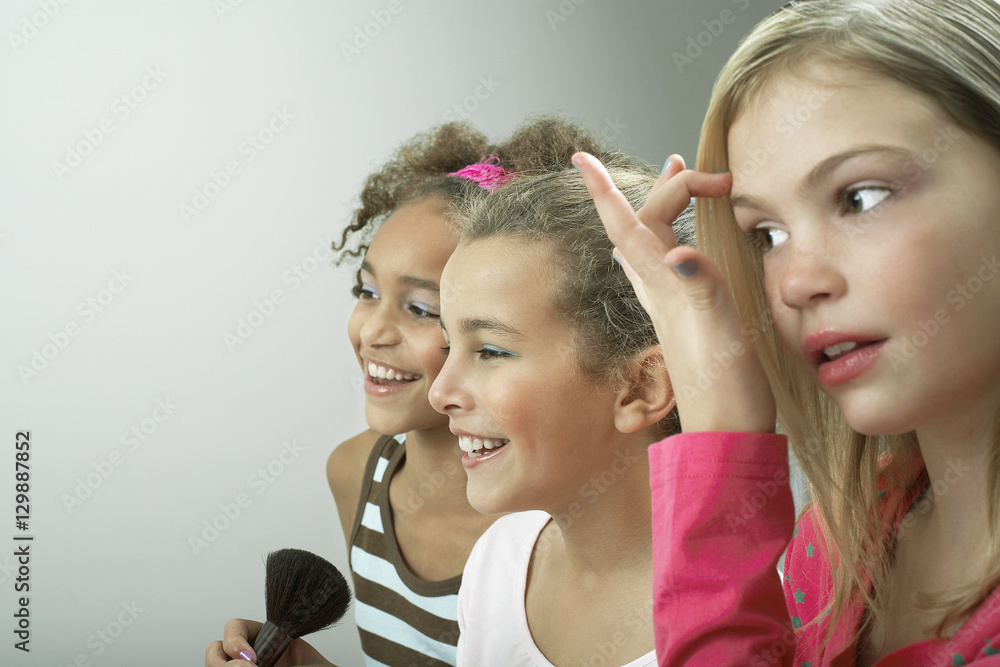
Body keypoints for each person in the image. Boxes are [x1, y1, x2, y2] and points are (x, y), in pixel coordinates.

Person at [575, 0, 1000, 664]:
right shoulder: (832, 546)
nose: (796, 283)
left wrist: (718, 442)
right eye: (765, 235)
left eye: (860, 197)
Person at [206, 117, 611, 667]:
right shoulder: (354, 473)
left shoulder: (551, 526)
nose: (372, 330)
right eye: (366, 290)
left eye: (421, 309)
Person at [429, 163, 694, 666]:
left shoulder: (745, 615)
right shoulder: (500, 560)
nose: (440, 392)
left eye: (490, 350)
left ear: (641, 385)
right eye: (448, 344)